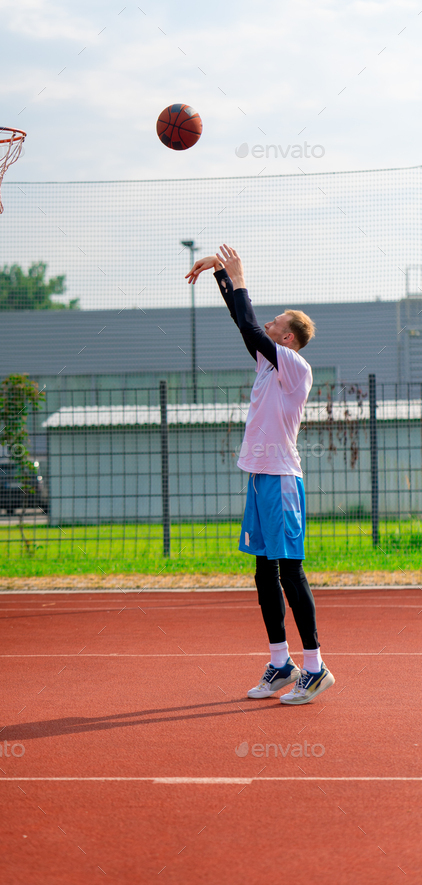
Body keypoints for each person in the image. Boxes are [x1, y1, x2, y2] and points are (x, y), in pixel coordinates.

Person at [185, 244, 334, 705]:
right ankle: (281, 662)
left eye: (275, 323)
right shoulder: (270, 362)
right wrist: (221, 275)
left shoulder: (295, 365)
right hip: (259, 477)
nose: (266, 324)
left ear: (287, 338)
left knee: (290, 571)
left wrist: (240, 275)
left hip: (283, 480)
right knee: (263, 572)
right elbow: (244, 322)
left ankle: (316, 668)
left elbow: (251, 326)